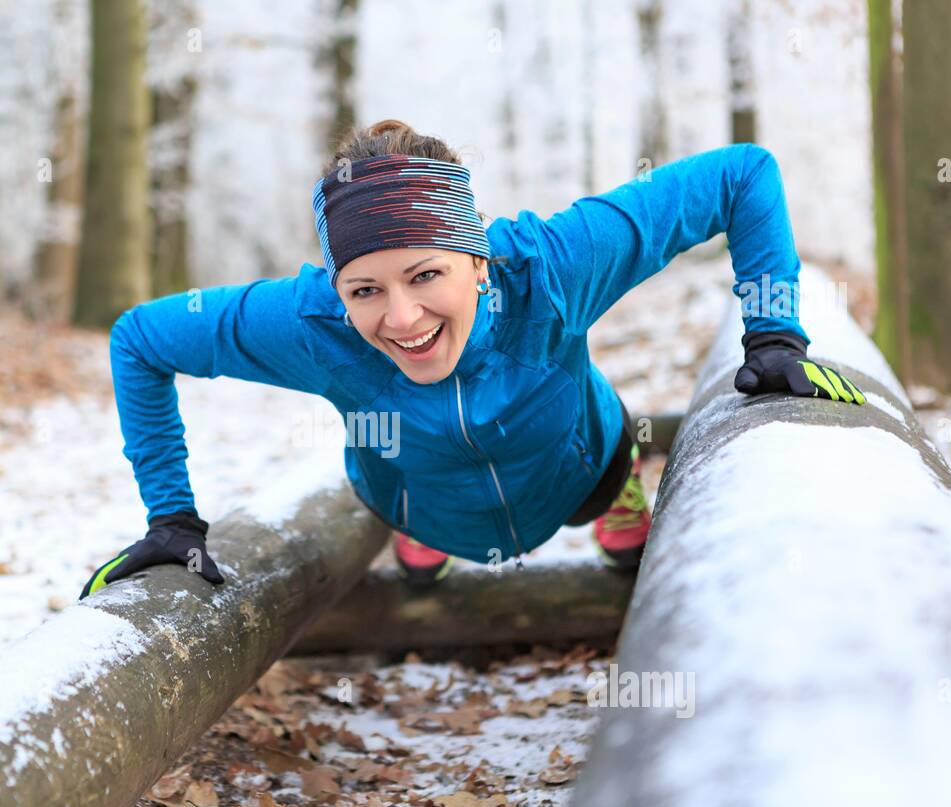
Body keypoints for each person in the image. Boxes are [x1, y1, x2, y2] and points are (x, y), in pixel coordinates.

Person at [79, 119, 865, 599]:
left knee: (599, 451)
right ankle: (424, 532)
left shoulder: (551, 266)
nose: (402, 317)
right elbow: (140, 337)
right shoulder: (310, 321)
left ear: (478, 259)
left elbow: (742, 174)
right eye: (365, 290)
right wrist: (172, 517)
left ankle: (620, 495)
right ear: (335, 285)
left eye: (427, 276)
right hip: (417, 495)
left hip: (575, 471)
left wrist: (773, 337)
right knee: (417, 482)